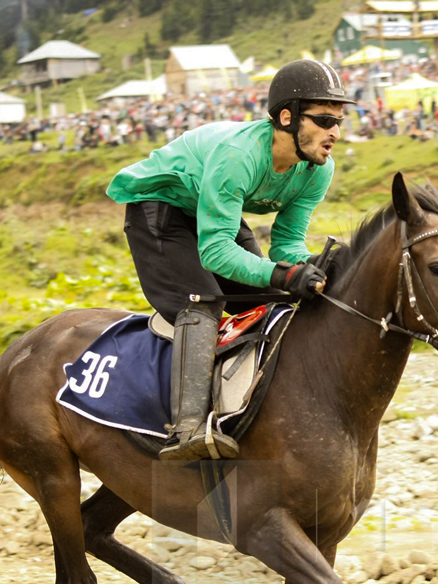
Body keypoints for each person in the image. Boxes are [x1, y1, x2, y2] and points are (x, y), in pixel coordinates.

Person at [107, 58, 352, 461]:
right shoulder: (240, 155)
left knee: (270, 297)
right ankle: (186, 429)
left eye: (339, 121)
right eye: (325, 120)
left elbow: (286, 246)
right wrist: (283, 272)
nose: (335, 133)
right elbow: (216, 251)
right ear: (287, 117)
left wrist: (310, 266)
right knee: (201, 302)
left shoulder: (318, 169)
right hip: (161, 206)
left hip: (212, 210)